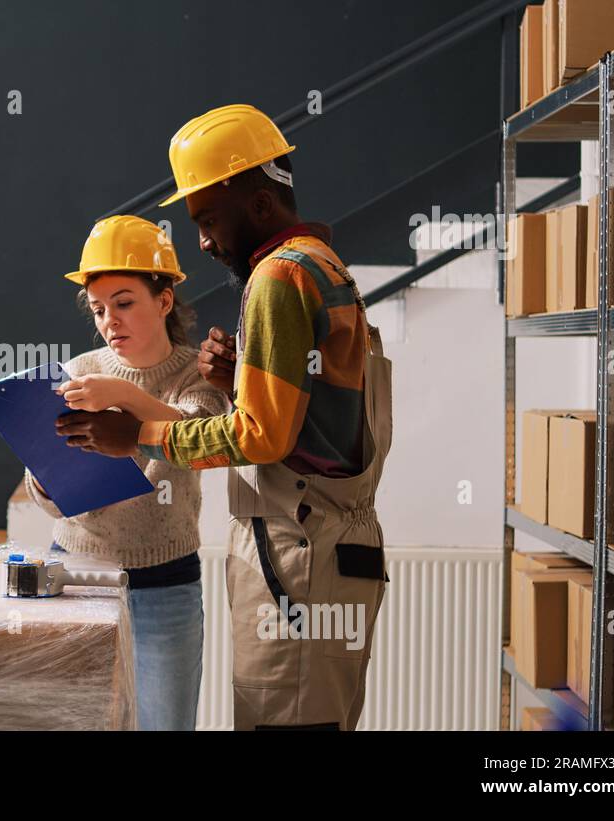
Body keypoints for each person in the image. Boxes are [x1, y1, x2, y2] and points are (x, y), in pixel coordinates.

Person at [57, 104, 393, 730]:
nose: (206, 241)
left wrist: (137, 433)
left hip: (300, 552)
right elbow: (319, 407)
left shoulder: (278, 277)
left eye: (209, 220)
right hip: (331, 547)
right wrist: (241, 375)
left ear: (260, 203)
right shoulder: (325, 265)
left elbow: (261, 436)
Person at [23, 214, 228, 731]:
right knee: (79, 722)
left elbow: (198, 434)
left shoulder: (194, 376)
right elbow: (44, 489)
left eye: (124, 302)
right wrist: (44, 479)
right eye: (98, 309)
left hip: (165, 585)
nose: (109, 320)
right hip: (77, 576)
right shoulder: (79, 371)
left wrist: (126, 398)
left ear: (163, 300)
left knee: (166, 725)